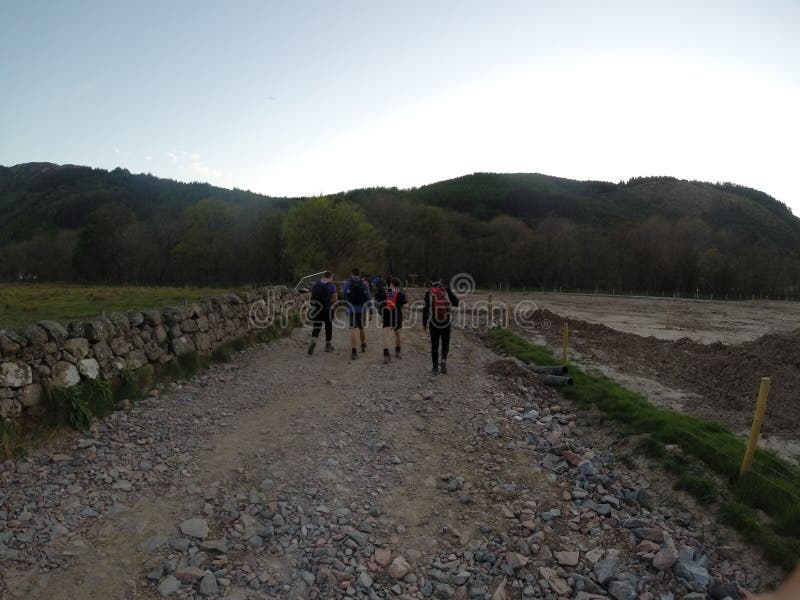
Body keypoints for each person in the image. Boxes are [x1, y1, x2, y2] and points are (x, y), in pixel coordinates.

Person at [422, 275, 459, 375]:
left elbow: (425, 310)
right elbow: (456, 302)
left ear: (431, 281)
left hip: (434, 322)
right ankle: (443, 360)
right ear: (440, 280)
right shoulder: (446, 290)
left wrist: (424, 324)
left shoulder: (428, 293)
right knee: (445, 343)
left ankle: (434, 368)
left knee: (434, 345)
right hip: (446, 321)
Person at [375, 277, 407, 363]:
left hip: (386, 315)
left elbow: (379, 304)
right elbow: (405, 305)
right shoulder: (400, 294)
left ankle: (386, 354)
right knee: (398, 335)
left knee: (386, 335)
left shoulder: (384, 294)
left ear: (391, 284)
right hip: (397, 316)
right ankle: (398, 351)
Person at [343, 267, 371, 359]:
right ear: (359, 274)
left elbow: (344, 297)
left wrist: (346, 307)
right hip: (362, 309)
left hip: (351, 309)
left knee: (352, 329)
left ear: (352, 274)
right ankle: (363, 345)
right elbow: (368, 298)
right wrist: (371, 311)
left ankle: (354, 351)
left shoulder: (347, 283)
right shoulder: (364, 284)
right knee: (361, 328)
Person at [307, 271, 337, 355]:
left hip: (316, 309)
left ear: (323, 277)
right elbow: (335, 300)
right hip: (327, 309)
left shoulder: (315, 285)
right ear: (331, 277)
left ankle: (313, 341)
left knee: (316, 327)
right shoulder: (331, 286)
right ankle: (328, 345)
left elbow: (311, 298)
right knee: (328, 327)